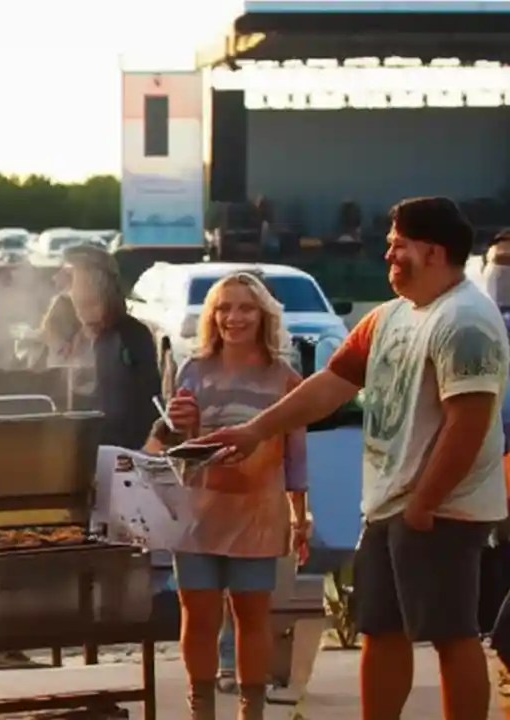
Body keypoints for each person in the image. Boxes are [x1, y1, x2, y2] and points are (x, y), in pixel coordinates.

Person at [201, 196, 510, 720]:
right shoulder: (388, 317)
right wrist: (256, 429)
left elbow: (470, 422)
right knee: (379, 630)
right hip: (389, 505)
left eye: (398, 247)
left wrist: (426, 503)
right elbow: (330, 384)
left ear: (433, 252)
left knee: (452, 633)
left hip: (442, 510)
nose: (388, 256)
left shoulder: (466, 321)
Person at [145, 271, 310, 720]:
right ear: (211, 317)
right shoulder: (192, 369)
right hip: (198, 510)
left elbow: (295, 457)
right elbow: (179, 442)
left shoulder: (285, 379)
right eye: (223, 308)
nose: (233, 318)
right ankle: (201, 708)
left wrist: (300, 518)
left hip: (258, 513)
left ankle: (249, 710)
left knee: (251, 617)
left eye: (245, 308)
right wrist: (181, 423)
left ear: (263, 316)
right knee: (196, 615)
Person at [54, 244, 161, 448]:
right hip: (74, 449)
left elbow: (148, 405)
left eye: (82, 284)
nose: (74, 294)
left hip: (119, 453)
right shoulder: (73, 335)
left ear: (103, 291)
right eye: (74, 285)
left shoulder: (131, 335)